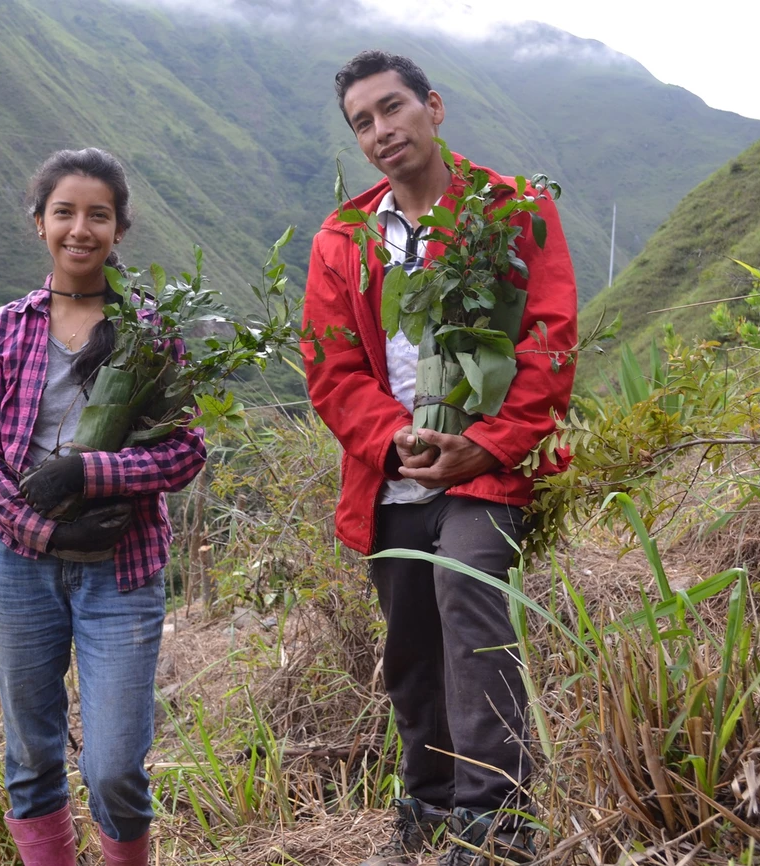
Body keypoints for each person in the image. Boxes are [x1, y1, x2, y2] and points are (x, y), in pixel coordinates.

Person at [301, 51, 577, 866]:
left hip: (487, 469)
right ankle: (426, 805)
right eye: (363, 122)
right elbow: (331, 367)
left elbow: (550, 341)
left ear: (434, 106)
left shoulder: (510, 209)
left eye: (393, 108)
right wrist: (396, 439)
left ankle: (496, 822)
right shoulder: (344, 238)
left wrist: (483, 444)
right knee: (410, 640)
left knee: (467, 596)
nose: (382, 131)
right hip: (392, 471)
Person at [0, 147, 206, 866]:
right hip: (17, 568)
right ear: (39, 222)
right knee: (31, 755)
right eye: (64, 212)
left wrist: (89, 472)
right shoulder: (4, 329)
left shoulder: (151, 331)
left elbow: (185, 453)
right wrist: (40, 527)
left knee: (115, 766)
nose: (80, 229)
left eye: (98, 215)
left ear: (119, 229)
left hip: (120, 570)